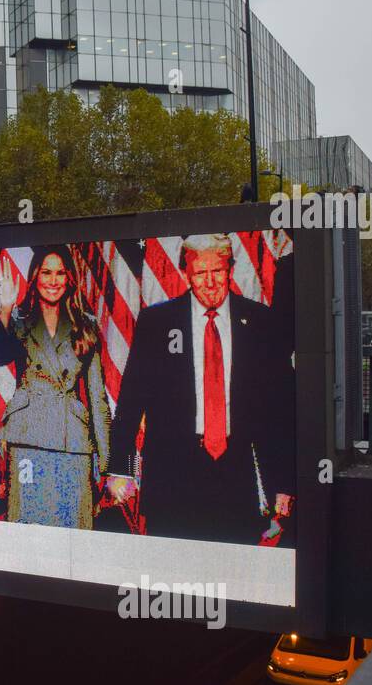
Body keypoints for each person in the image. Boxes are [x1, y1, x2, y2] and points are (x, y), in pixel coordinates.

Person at [105, 234, 294, 545]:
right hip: (172, 474)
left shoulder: (260, 321)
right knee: (172, 575)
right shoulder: (157, 321)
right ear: (185, 273)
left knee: (234, 573)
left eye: (217, 271)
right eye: (200, 273)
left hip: (238, 474)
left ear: (230, 269)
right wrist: (121, 469)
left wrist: (284, 482)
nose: (209, 282)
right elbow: (131, 400)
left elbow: (279, 408)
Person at [0, 245, 111, 528]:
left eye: (60, 273)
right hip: (27, 436)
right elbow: (0, 355)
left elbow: (97, 397)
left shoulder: (86, 325)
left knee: (74, 531)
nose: (53, 280)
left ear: (70, 278)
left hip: (73, 442)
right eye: (46, 272)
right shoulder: (20, 320)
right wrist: (6, 308)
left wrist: (108, 464)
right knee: (27, 529)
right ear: (35, 275)